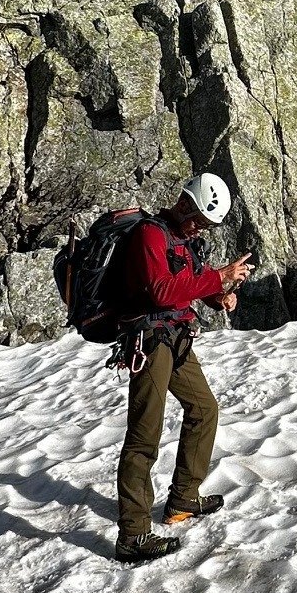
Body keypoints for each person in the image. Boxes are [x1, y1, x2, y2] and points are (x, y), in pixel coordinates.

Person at [111, 173, 253, 566]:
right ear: (185, 203)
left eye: (206, 226)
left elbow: (189, 284)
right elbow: (160, 291)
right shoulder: (150, 236)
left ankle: (183, 498)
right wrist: (217, 277)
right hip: (150, 342)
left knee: (204, 409)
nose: (199, 228)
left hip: (176, 338)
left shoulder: (184, 240)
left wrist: (219, 295)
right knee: (144, 434)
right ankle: (133, 534)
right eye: (199, 220)